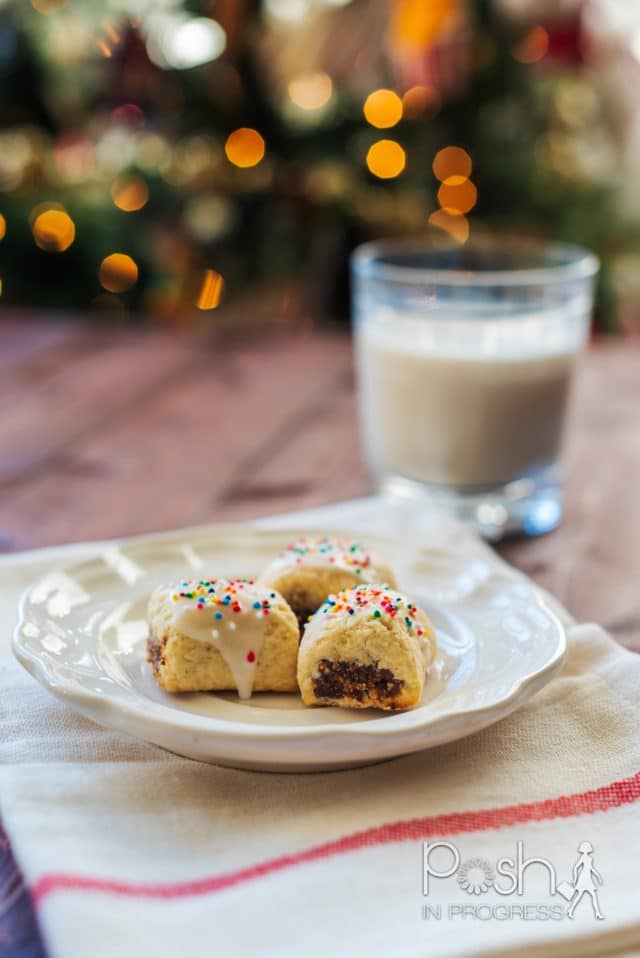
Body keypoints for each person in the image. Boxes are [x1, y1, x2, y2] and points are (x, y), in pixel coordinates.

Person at [567, 841, 604, 920]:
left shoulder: (590, 858)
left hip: (588, 877)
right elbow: (576, 867)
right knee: (580, 896)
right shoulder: (583, 857)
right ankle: (570, 910)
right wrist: (575, 879)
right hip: (583, 877)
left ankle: (597, 913)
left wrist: (598, 876)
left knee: (592, 895)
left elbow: (591, 868)